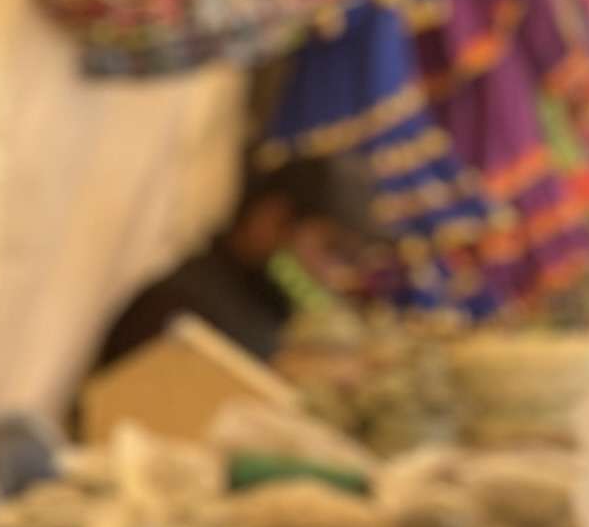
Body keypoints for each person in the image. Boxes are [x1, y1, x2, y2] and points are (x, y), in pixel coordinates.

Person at [89, 151, 375, 377]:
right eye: (332, 249)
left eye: (349, 260)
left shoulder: (271, 318)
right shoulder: (183, 307)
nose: (335, 275)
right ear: (271, 220)